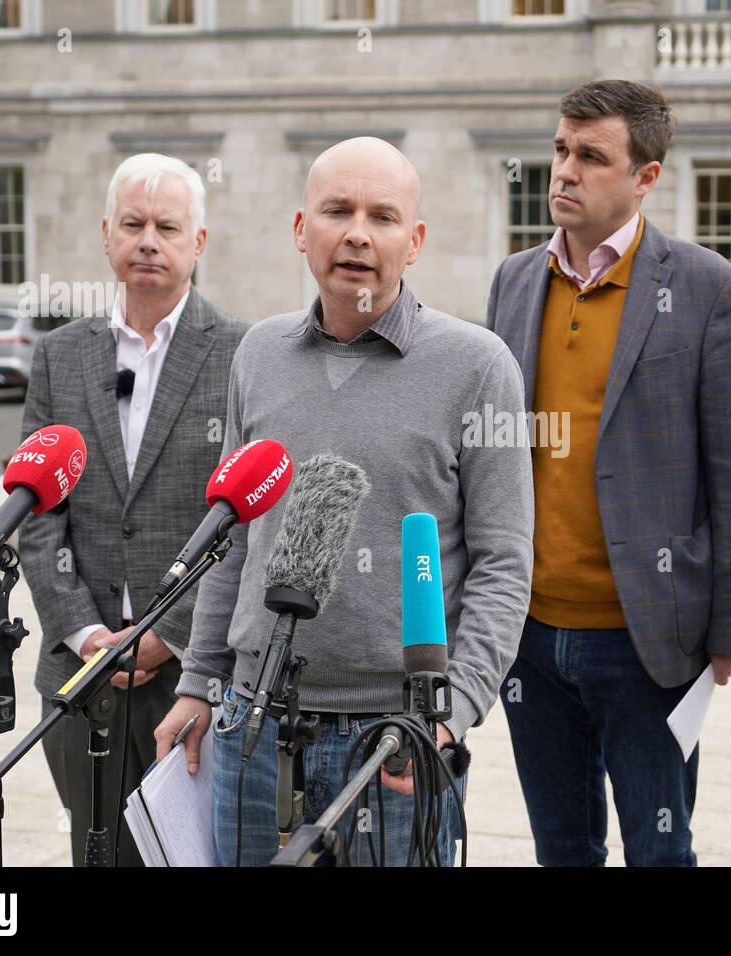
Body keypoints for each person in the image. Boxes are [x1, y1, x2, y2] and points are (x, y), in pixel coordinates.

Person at [154, 136, 534, 867]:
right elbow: (234, 539)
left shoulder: (478, 366)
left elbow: (504, 561)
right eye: (337, 210)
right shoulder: (258, 355)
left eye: (383, 216)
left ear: (414, 241)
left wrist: (446, 718)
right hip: (253, 729)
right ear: (302, 230)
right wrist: (200, 683)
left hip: (397, 742)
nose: (358, 232)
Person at [486, 80, 731, 867]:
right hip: (531, 639)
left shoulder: (709, 287)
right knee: (562, 850)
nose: (565, 172)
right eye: (559, 150)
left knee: (660, 851)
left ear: (645, 176)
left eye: (591, 157)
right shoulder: (515, 282)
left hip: (649, 640)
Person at [20, 153, 248, 865]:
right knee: (97, 854)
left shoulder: (244, 353)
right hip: (79, 674)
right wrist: (87, 633)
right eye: (134, 224)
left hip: (191, 673)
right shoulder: (59, 356)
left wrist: (167, 635)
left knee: (186, 856)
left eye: (168, 226)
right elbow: (34, 510)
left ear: (198, 244)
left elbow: (244, 521)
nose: (149, 240)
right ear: (106, 236)